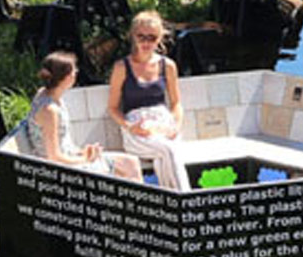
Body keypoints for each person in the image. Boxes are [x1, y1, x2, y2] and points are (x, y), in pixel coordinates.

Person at [21, 52, 139, 179]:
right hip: (60, 171)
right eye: (73, 71)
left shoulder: (49, 95)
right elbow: (53, 157)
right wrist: (84, 159)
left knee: (131, 162)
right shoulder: (49, 111)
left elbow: (62, 144)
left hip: (70, 157)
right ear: (66, 77)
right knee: (127, 169)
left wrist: (82, 152)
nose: (76, 72)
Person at [107, 11, 188, 190]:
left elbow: (176, 103)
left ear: (159, 39)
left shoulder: (167, 66)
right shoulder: (122, 67)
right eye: (141, 36)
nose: (145, 42)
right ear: (133, 36)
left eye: (151, 38)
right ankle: (186, 199)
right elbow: (112, 107)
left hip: (163, 122)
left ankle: (169, 204)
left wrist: (175, 125)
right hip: (137, 126)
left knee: (163, 158)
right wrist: (129, 126)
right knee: (169, 150)